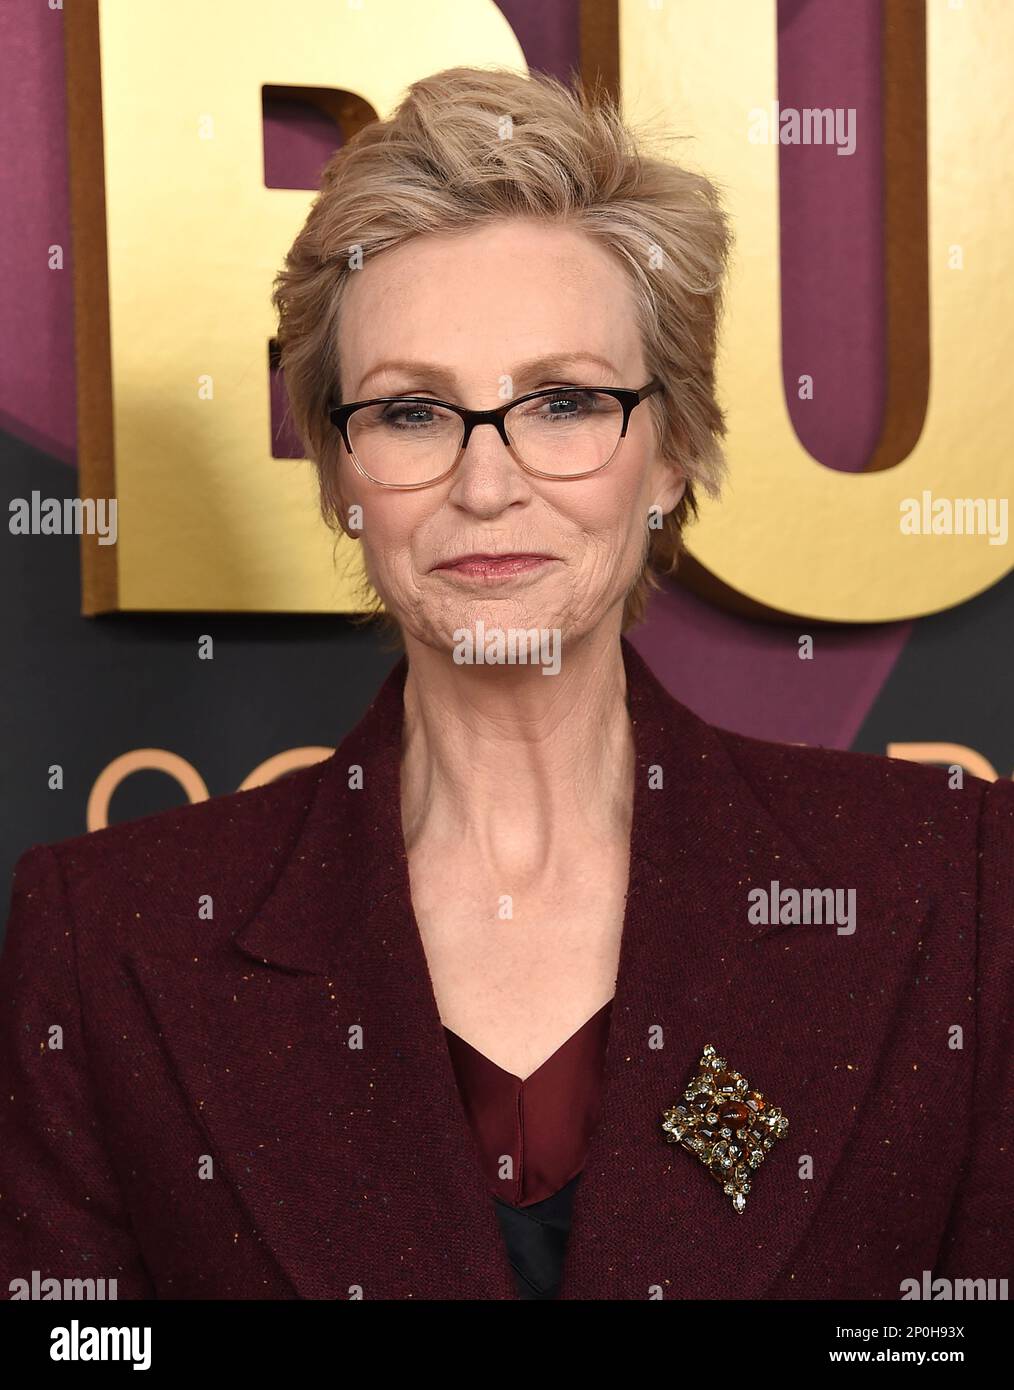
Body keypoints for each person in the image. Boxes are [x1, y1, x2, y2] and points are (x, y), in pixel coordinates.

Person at [1, 66, 1011, 1302]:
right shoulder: (112, 938)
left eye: (566, 401)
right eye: (415, 411)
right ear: (339, 476)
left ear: (673, 453)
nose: (487, 486)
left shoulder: (948, 887)